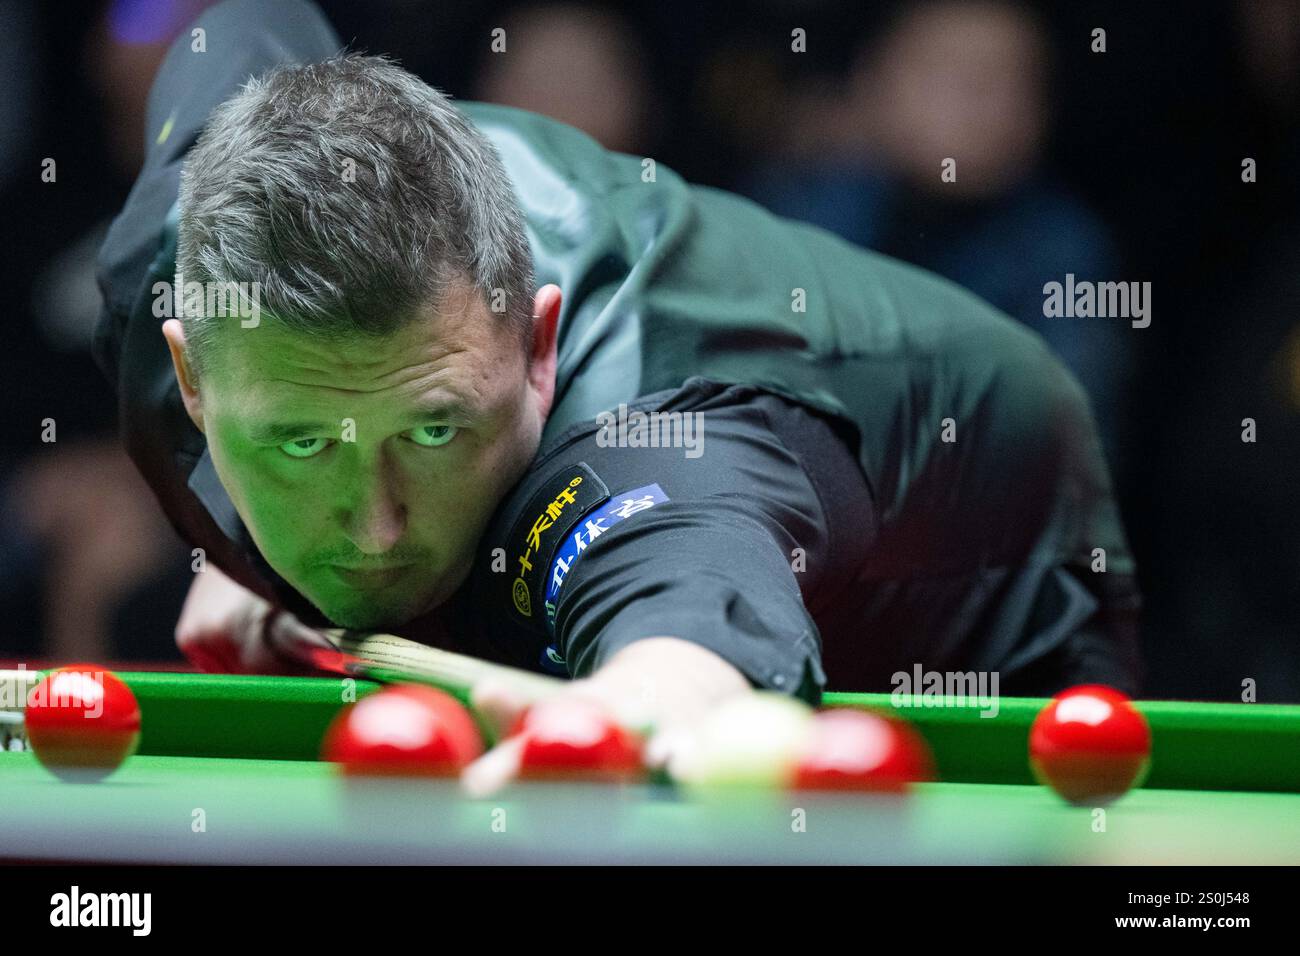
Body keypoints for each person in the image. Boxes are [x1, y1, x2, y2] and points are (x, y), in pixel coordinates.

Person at [94, 0, 1140, 778]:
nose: (372, 529)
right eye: (303, 440)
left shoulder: (656, 431)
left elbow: (690, 609)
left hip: (979, 584)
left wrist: (636, 704)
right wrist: (246, 524)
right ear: (190, 375)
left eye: (434, 427)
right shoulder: (170, 253)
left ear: (539, 345)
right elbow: (248, 20)